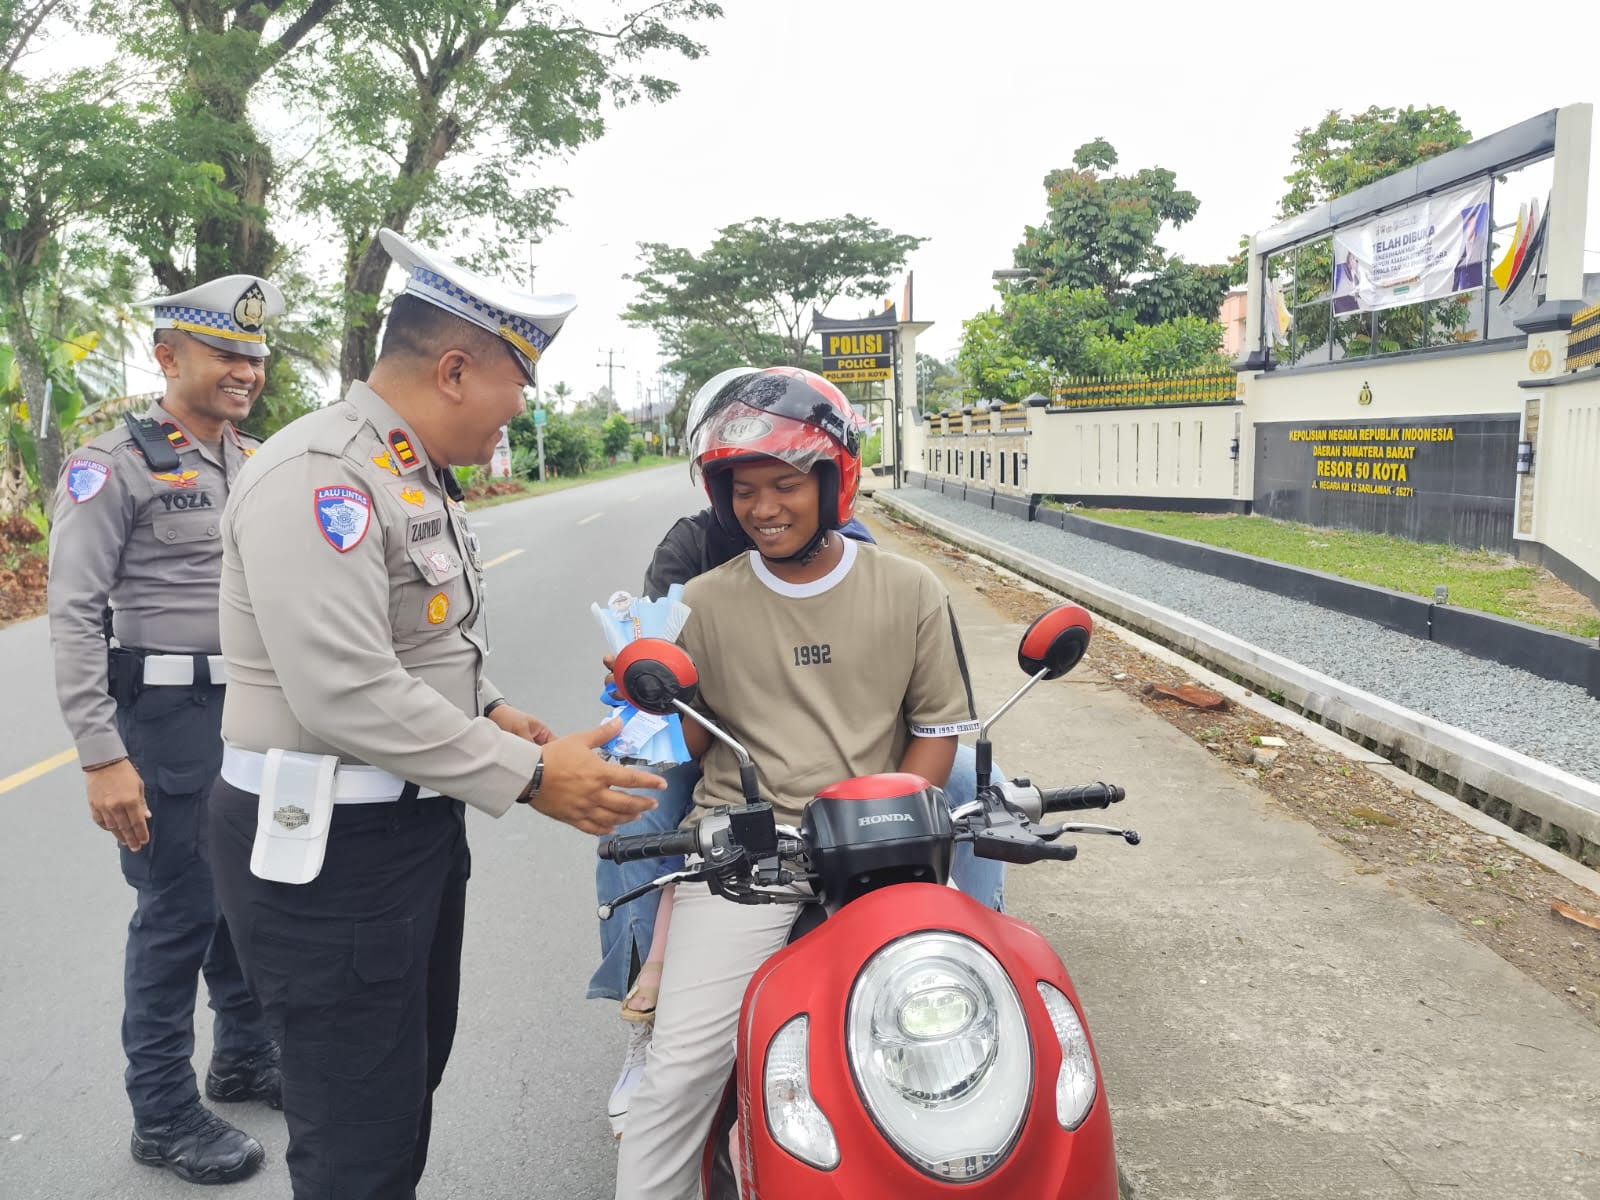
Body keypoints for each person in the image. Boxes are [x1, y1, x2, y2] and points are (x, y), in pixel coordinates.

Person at [205, 229, 664, 1199]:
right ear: (455, 369)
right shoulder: (321, 476)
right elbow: (343, 687)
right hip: (327, 854)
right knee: (358, 1145)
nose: (523, 407)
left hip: (402, 831)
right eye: (518, 382)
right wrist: (534, 778)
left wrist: (496, 714)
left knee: (401, 1100)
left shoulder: (404, 470)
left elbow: (412, 643)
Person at [592, 373, 1006, 1140]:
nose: (764, 507)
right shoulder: (697, 567)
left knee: (980, 784)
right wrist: (636, 697)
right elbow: (676, 704)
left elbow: (921, 707)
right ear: (720, 488)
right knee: (641, 800)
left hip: (864, 802)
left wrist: (888, 812)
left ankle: (980, 958)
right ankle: (645, 989)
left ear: (831, 483)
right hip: (737, 769)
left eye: (784, 482)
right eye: (744, 487)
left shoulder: (894, 580)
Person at [47, 275, 287, 1185]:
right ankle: (161, 1112)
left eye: (255, 357)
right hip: (164, 718)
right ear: (168, 356)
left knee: (240, 894)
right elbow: (71, 614)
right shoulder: (111, 464)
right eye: (227, 352)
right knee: (175, 913)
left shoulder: (254, 460)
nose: (245, 371)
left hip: (248, 712)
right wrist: (102, 755)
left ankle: (242, 1055)